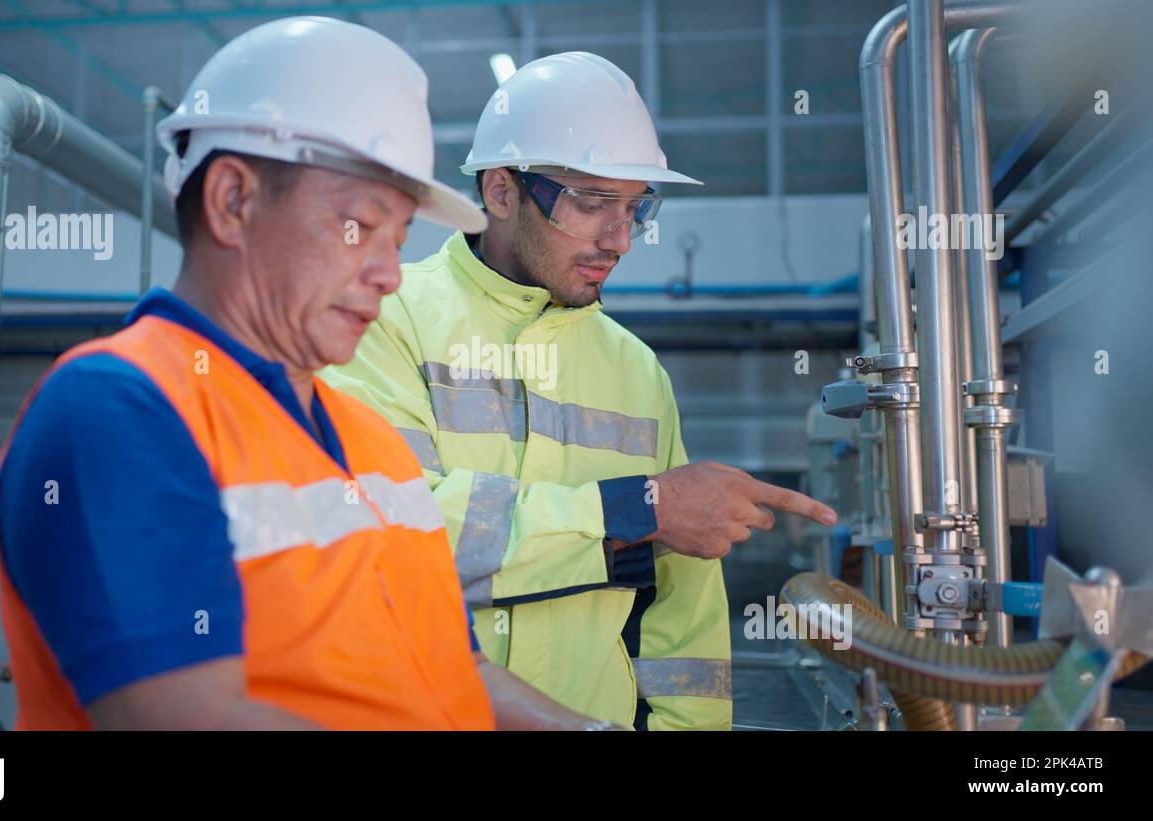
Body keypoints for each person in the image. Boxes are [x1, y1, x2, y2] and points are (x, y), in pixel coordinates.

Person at [0, 17, 615, 731]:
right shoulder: (118, 407)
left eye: (400, 238)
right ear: (234, 200)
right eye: (358, 226)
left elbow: (456, 671)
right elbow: (186, 715)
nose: (388, 273)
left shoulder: (371, 441)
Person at [325, 52, 838, 730]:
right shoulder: (386, 317)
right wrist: (636, 509)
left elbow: (684, 621)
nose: (621, 239)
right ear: (502, 192)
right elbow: (394, 534)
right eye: (592, 204)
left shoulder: (636, 370)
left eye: (635, 207)